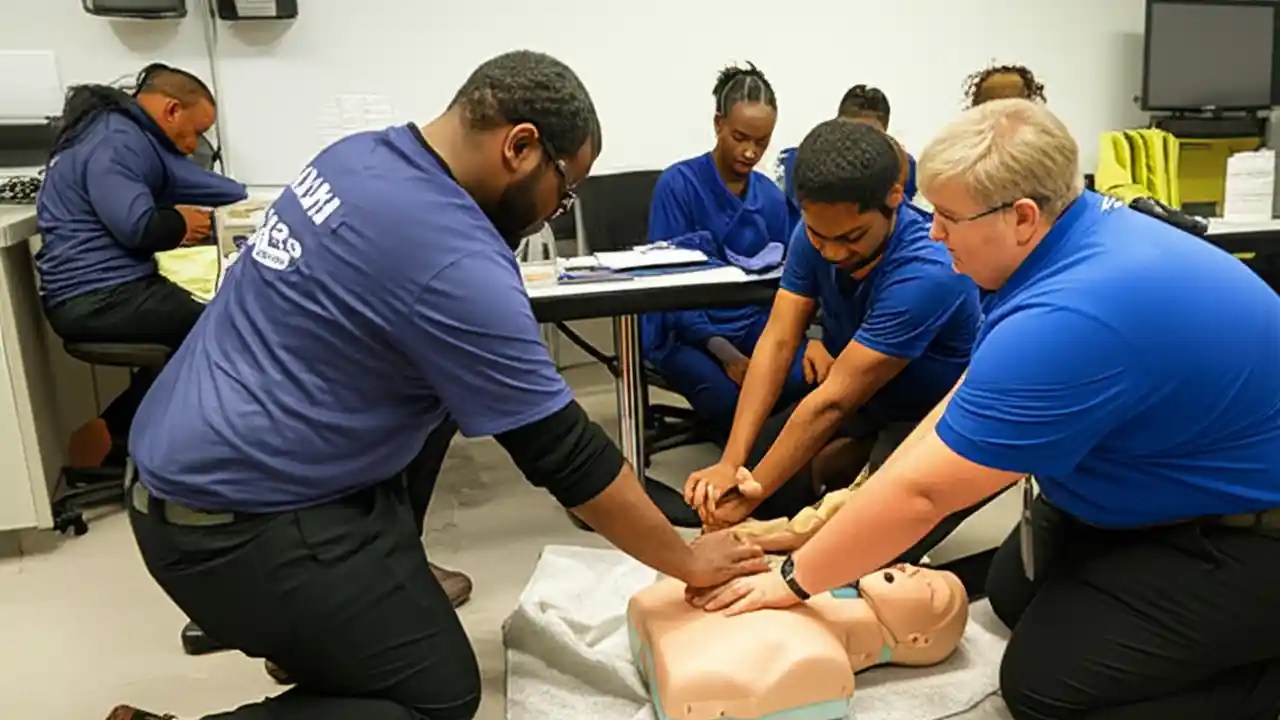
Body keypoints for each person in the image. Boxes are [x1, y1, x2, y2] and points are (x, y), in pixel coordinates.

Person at [109, 50, 767, 720]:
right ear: (520, 145)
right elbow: (565, 455)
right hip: (230, 524)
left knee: (445, 402)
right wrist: (687, 560)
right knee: (436, 698)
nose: (554, 214)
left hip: (178, 462)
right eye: (564, 192)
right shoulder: (453, 258)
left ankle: (321, 639)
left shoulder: (356, 158)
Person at [687, 99, 1280, 720]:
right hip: (1154, 482)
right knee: (1011, 593)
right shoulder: (1064, 241)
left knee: (1044, 688)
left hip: (1247, 529)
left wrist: (792, 581)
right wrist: (822, 526)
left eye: (946, 217)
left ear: (1022, 217)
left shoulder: (1072, 310)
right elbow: (960, 403)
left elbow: (925, 495)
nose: (935, 232)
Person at [685, 120, 980, 565]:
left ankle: (854, 473)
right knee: (760, 488)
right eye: (820, 236)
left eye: (851, 237)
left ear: (895, 198)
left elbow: (833, 402)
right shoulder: (813, 234)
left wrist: (748, 496)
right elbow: (779, 341)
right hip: (869, 402)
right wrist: (733, 465)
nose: (833, 252)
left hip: (934, 419)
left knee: (850, 558)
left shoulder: (927, 270)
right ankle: (843, 467)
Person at [37, 64, 247, 468]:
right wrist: (181, 222)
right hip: (99, 298)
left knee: (201, 327)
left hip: (104, 294)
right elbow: (139, 227)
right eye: (196, 131)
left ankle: (130, 435)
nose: (194, 145)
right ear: (171, 111)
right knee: (226, 329)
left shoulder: (126, 135)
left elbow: (218, 188)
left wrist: (245, 199)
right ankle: (116, 433)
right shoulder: (116, 140)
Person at [643, 63, 809, 436]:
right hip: (683, 329)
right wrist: (726, 354)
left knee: (805, 376)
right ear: (718, 124)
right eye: (740, 137)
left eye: (762, 142)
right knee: (732, 398)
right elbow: (668, 290)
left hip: (750, 323)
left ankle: (770, 455)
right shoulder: (679, 185)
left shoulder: (768, 195)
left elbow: (781, 283)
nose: (751, 152)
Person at [780, 84, 914, 231]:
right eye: (849, 136)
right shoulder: (795, 162)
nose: (857, 148)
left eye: (870, 139)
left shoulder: (903, 168)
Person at [963, 63, 1046, 108]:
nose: (1004, 110)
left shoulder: (1048, 137)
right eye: (994, 104)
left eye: (1014, 103)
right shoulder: (961, 138)